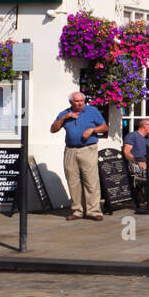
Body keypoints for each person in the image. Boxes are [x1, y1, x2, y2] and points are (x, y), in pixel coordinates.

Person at [49, 91, 107, 221]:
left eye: (82, 100)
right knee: (73, 180)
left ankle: (93, 211)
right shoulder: (64, 113)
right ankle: (77, 211)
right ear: (71, 102)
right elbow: (53, 129)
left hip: (88, 149)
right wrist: (64, 118)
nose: (80, 103)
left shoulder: (92, 111)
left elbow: (104, 127)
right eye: (77, 101)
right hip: (70, 150)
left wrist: (92, 130)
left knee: (91, 180)